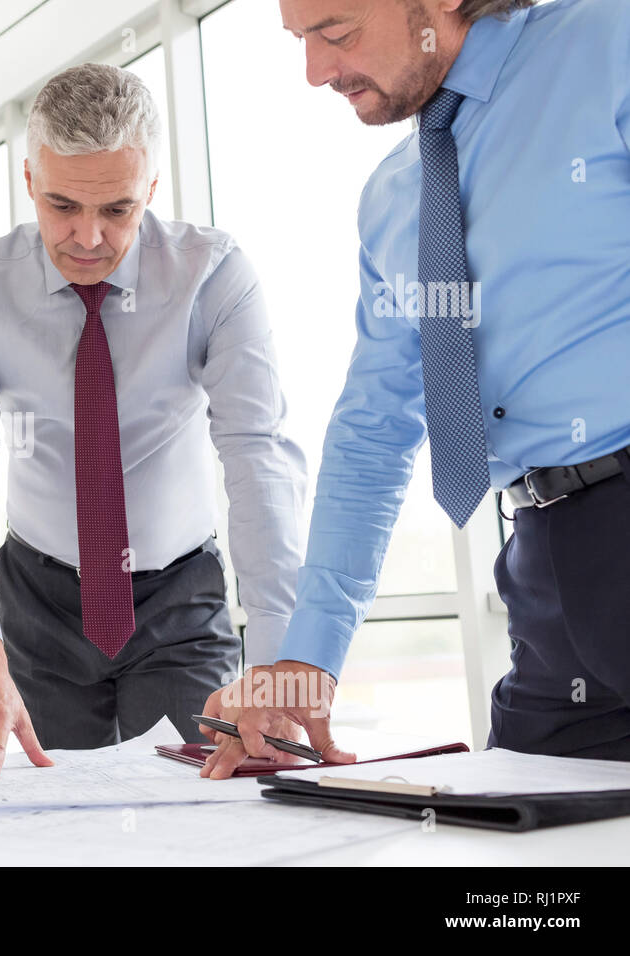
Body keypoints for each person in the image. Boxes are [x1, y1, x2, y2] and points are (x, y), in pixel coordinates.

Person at [201, 0, 630, 777]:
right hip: (544, 567)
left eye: (336, 33)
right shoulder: (395, 195)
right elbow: (373, 430)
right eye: (301, 43)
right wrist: (307, 662)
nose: (315, 73)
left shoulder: (609, 44)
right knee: (529, 871)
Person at [0, 63, 308, 779]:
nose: (88, 237)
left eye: (117, 210)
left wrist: (277, 659)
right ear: (28, 179)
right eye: (63, 205)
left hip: (178, 599)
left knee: (212, 797)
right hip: (36, 602)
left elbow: (258, 454)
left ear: (151, 189)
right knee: (40, 821)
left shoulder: (213, 277)